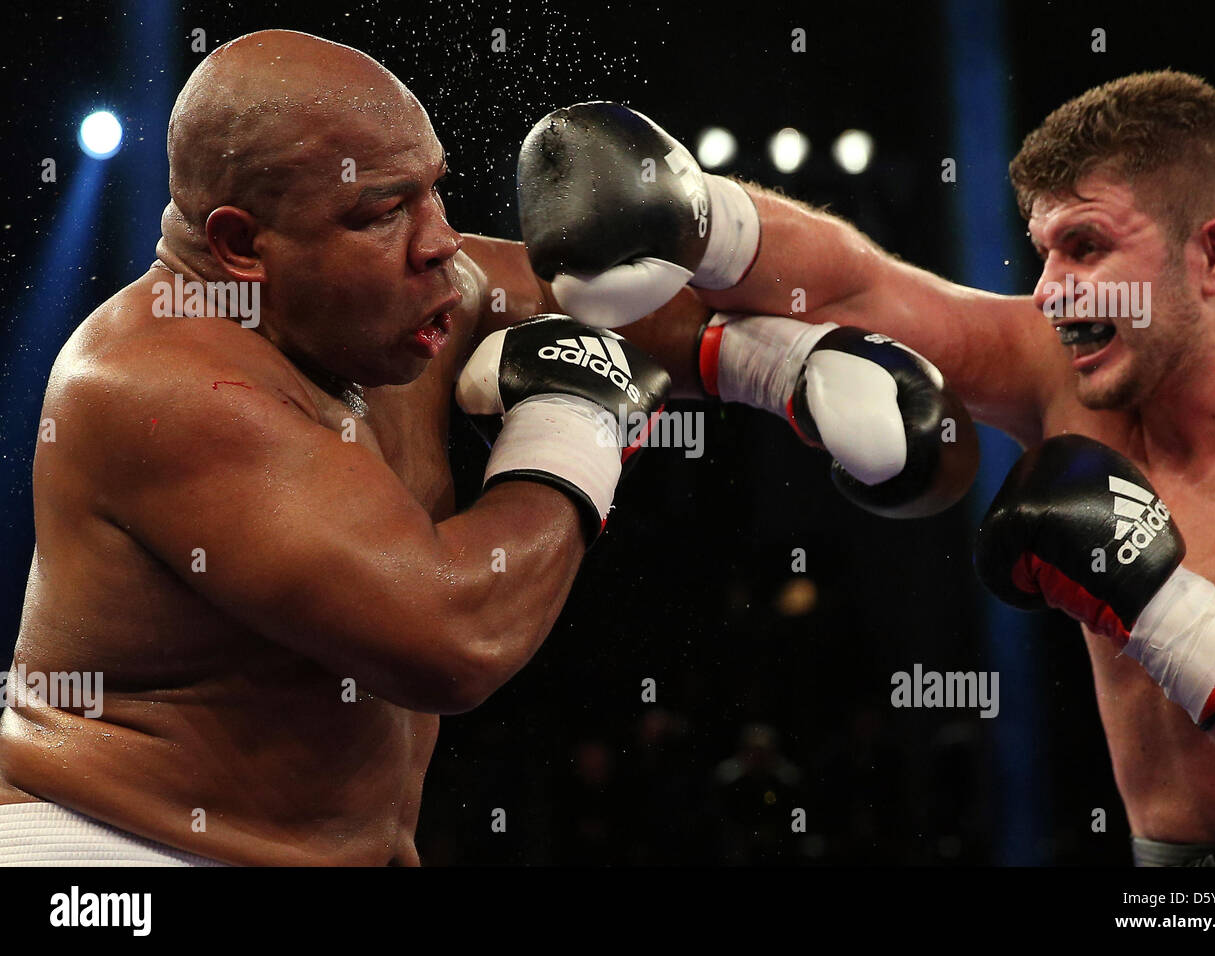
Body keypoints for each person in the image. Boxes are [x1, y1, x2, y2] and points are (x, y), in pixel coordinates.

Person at [0, 30, 972, 866]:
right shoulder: (165, 389)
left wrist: (785, 362)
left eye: (434, 192)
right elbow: (453, 643)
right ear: (240, 244)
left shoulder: (397, 294)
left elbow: (623, 309)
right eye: (383, 210)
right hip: (113, 859)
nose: (440, 243)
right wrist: (577, 422)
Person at [521, 72, 1215, 865]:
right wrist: (702, 218)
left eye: (1087, 248)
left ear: (1214, 253)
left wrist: (1164, 609)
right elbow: (865, 291)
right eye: (1044, 252)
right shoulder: (1073, 374)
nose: (1050, 294)